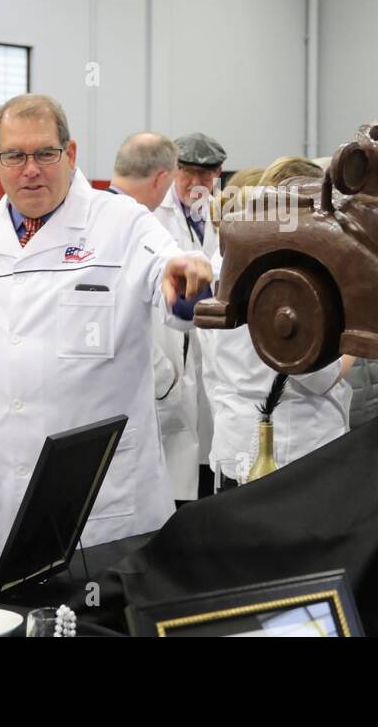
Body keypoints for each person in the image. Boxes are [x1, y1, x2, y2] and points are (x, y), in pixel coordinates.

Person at [0, 95, 212, 571]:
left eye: (46, 153)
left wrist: (184, 284)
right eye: (15, 155)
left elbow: (169, 280)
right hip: (2, 495)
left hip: (105, 503)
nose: (32, 169)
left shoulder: (122, 223)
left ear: (70, 153)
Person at [199, 157, 352, 489]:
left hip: (234, 437)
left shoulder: (221, 260)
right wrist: (357, 342)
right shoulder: (290, 274)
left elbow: (211, 368)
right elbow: (318, 377)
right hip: (292, 449)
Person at [107, 133, 200, 505]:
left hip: (147, 399)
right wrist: (166, 384)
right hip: (143, 399)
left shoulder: (113, 222)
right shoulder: (125, 228)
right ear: (163, 178)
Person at [154, 133, 226, 499]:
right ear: (173, 170)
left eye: (207, 175)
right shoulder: (152, 214)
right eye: (189, 173)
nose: (197, 184)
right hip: (170, 347)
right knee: (174, 469)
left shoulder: (222, 213)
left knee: (206, 469)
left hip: (210, 345)